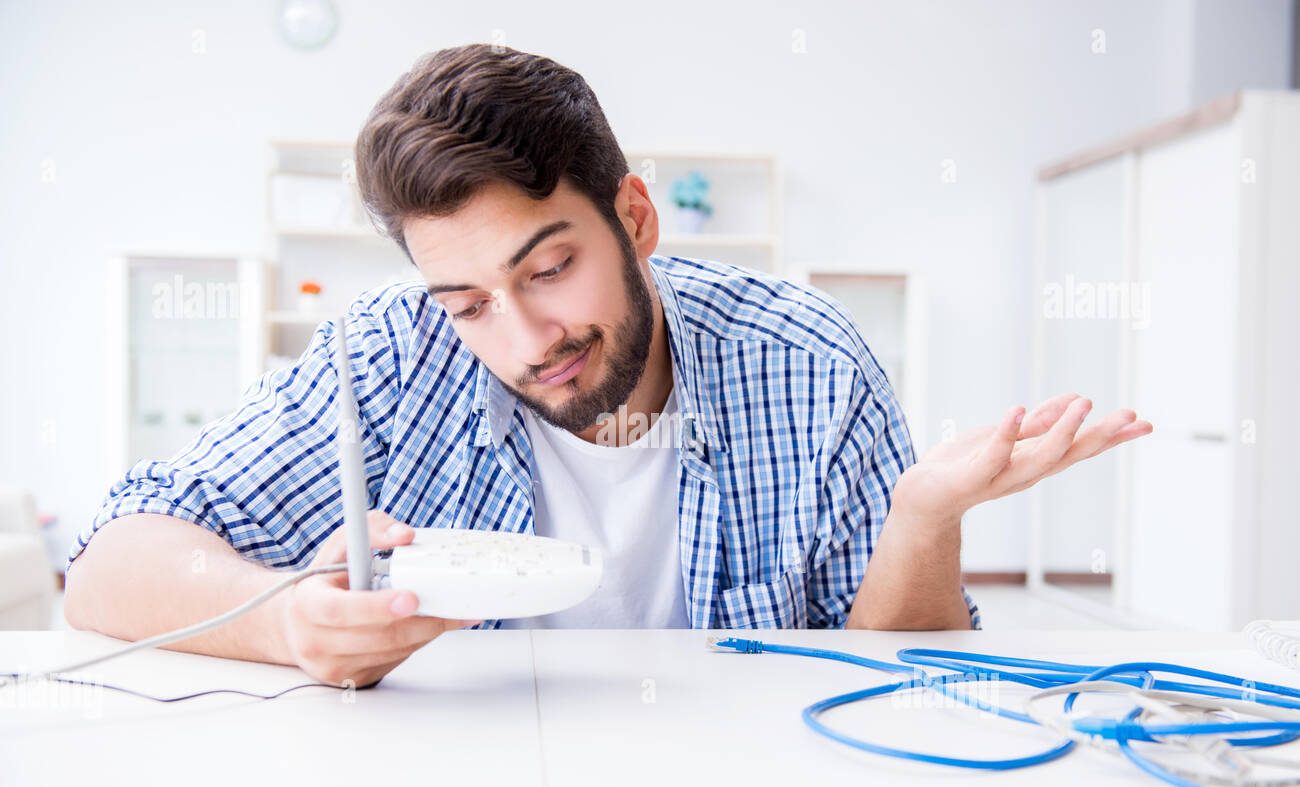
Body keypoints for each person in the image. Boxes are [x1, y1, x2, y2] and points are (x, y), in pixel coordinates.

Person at [62, 43, 1152, 687]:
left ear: (634, 217)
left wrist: (920, 521)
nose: (524, 338)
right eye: (468, 301)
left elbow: (897, 684)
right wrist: (279, 620)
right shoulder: (386, 354)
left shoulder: (808, 362)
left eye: (549, 268)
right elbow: (106, 565)